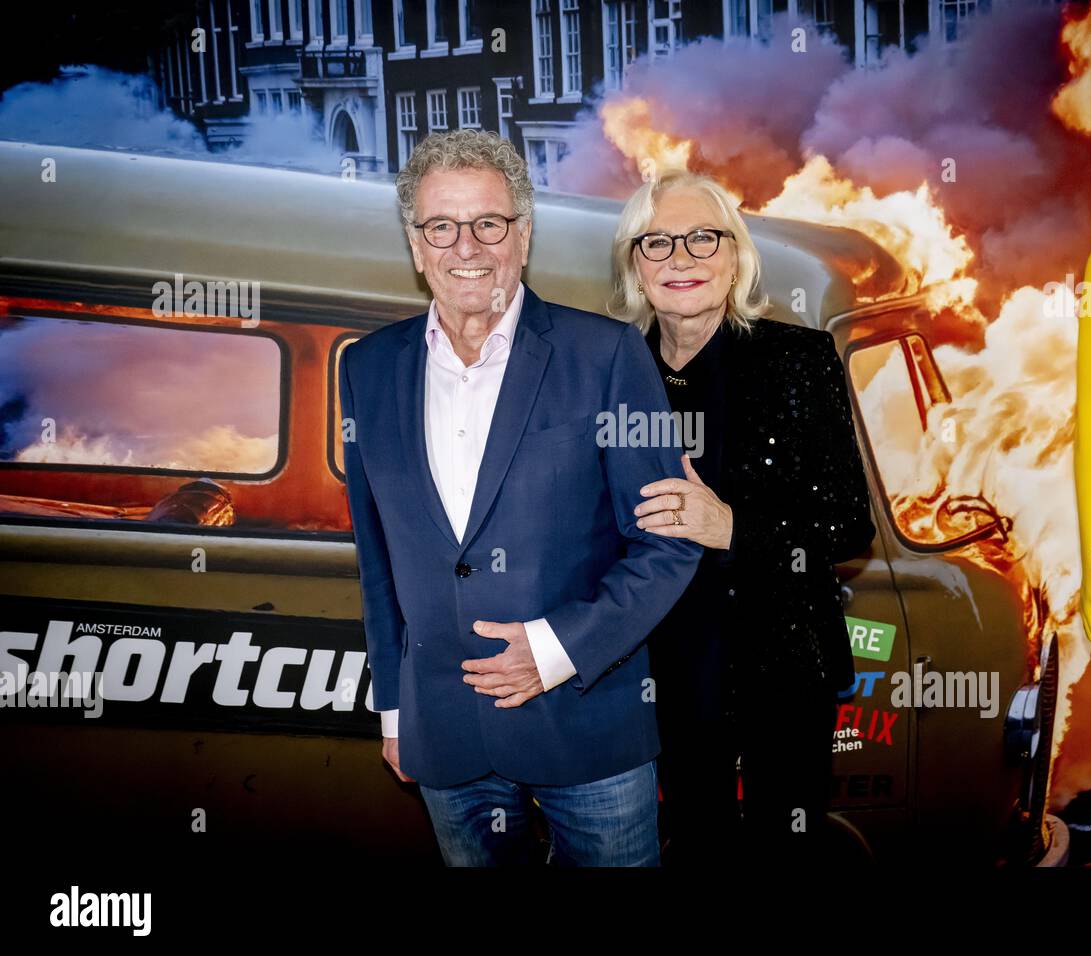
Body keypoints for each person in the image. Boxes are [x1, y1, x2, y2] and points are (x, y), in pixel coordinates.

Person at [339, 129, 701, 866]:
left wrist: (558, 648)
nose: (465, 246)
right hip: (443, 729)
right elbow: (376, 558)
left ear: (523, 236)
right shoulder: (368, 368)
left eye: (488, 223)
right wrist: (396, 707)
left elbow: (668, 543)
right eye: (441, 225)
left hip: (589, 719)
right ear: (416, 244)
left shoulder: (605, 355)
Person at [608, 169, 876, 865]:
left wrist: (732, 526)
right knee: (695, 849)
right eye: (657, 243)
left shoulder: (798, 359)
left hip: (782, 667)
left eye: (703, 239)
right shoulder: (611, 373)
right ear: (635, 265)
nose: (681, 259)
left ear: (735, 258)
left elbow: (849, 522)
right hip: (661, 667)